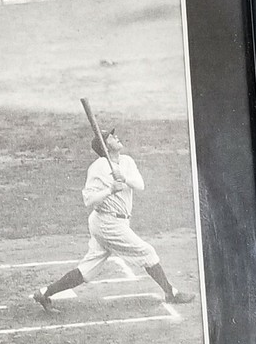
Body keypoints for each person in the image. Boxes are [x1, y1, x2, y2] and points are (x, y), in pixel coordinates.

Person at [33, 128, 195, 312]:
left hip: (117, 222)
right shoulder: (98, 168)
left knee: (87, 270)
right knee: (147, 252)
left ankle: (44, 292)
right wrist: (109, 190)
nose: (116, 137)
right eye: (111, 136)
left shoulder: (127, 161)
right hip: (106, 222)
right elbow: (88, 200)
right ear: (104, 146)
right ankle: (170, 292)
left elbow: (140, 185)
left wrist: (123, 178)